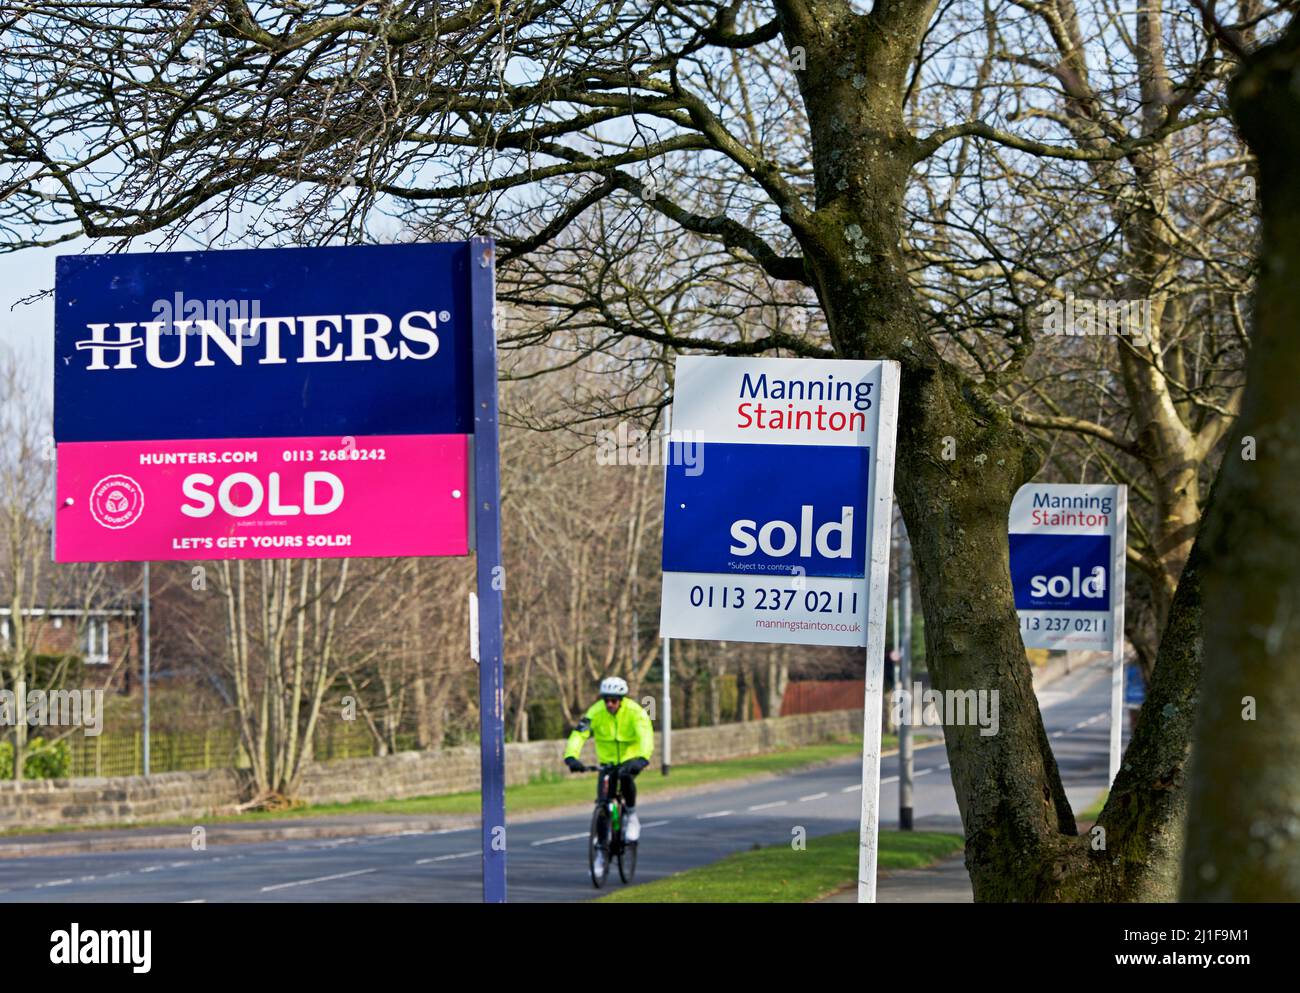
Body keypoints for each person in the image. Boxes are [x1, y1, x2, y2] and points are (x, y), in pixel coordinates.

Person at [563, 676, 654, 849]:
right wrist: (571, 757)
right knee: (603, 802)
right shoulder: (595, 712)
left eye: (613, 700)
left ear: (621, 700)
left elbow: (645, 735)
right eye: (606, 700)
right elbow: (579, 734)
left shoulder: (635, 712)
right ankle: (601, 851)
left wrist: (643, 758)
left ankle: (632, 815)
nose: (609, 704)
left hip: (631, 758)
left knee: (626, 777)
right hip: (607, 762)